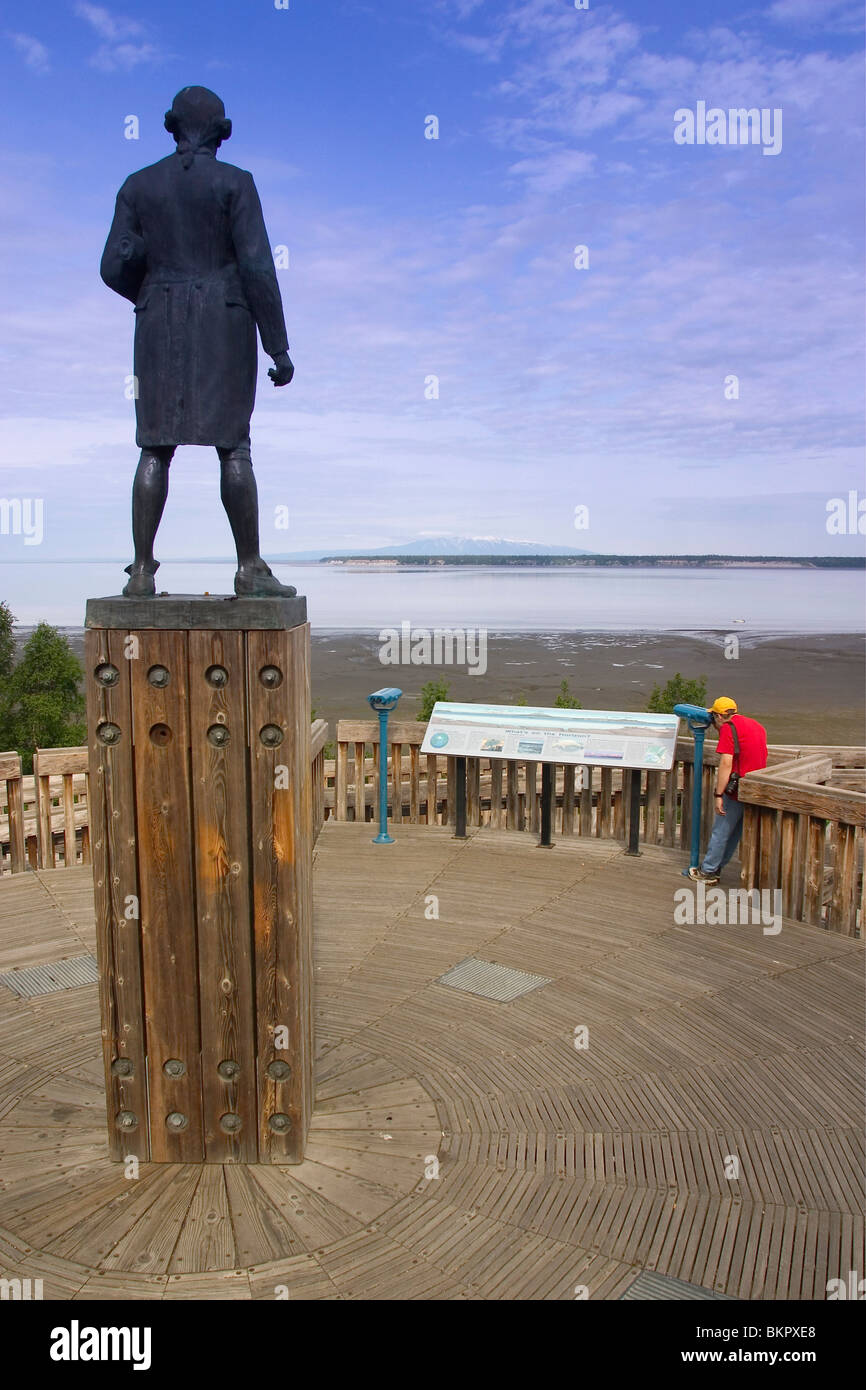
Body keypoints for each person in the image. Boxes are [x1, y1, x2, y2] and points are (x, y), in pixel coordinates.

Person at [100, 86, 296, 598]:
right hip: (224, 324)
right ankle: (249, 568)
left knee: (153, 448)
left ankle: (141, 571)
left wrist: (151, 290)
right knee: (233, 446)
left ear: (171, 126)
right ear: (220, 132)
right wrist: (278, 344)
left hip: (157, 320)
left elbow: (112, 267)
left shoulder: (138, 186)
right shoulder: (236, 183)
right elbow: (256, 267)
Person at [688, 696, 768, 884]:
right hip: (755, 787)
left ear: (718, 716)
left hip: (736, 788)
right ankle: (717, 867)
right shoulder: (755, 725)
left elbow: (726, 762)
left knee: (722, 830)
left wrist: (718, 794)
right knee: (735, 832)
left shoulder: (727, 728)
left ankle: (708, 871)